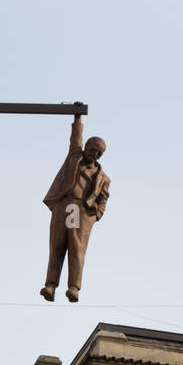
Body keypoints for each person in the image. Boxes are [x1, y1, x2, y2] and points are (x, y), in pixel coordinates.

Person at [39, 113, 109, 303]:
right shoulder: (74, 157)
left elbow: (103, 199)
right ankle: (50, 285)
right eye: (93, 149)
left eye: (99, 153)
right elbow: (75, 137)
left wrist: (95, 215)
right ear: (86, 147)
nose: (95, 154)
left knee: (77, 249)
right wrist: (77, 118)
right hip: (64, 204)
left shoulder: (103, 178)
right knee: (56, 245)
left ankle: (73, 287)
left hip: (82, 210)